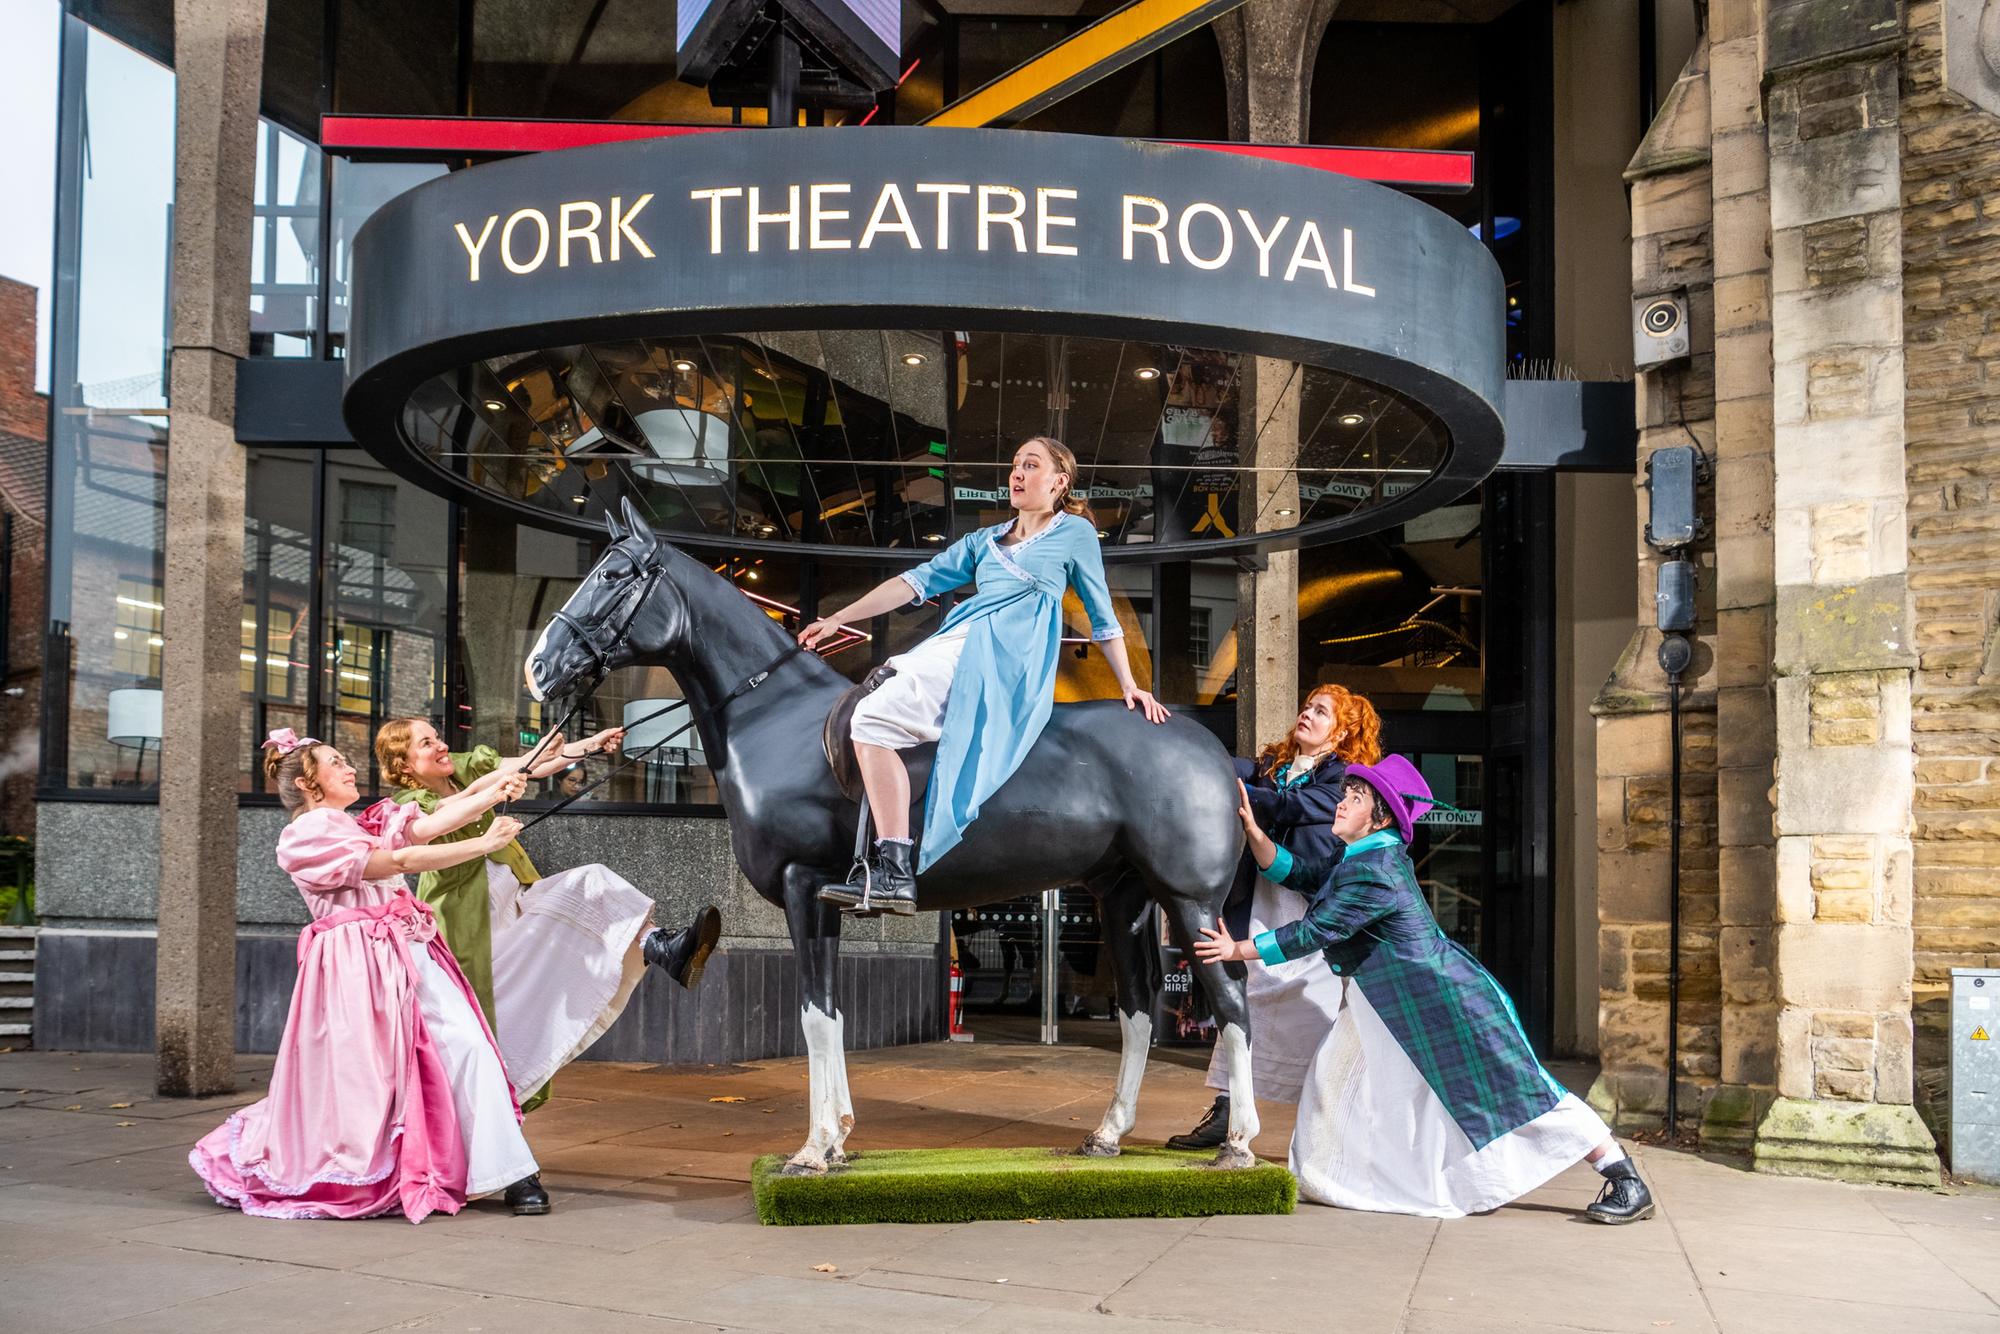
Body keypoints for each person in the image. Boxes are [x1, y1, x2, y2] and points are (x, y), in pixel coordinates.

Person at [1196, 755, 1656, 1224]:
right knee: (1339, 1086)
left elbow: (1314, 931)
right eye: (1346, 795)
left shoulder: (1375, 869)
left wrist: (1237, 950)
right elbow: (1303, 875)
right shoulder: (1358, 856)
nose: (1341, 804)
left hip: (1441, 1001)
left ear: (1381, 818)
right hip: (1384, 1003)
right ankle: (1331, 1180)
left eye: (1355, 799)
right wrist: (1254, 830)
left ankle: (1624, 1176)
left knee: (1520, 1090)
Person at [798, 435, 1170, 914]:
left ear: (1060, 482)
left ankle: (894, 871)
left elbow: (1103, 618)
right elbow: (913, 582)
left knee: (871, 718)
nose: (1017, 473)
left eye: (1031, 465)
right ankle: (892, 866)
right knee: (872, 717)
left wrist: (1129, 684)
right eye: (1015, 465)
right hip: (962, 642)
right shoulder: (983, 541)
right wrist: (838, 617)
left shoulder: (1074, 533)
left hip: (1005, 657)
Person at [189, 730, 539, 1223]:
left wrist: (496, 788)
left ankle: (507, 1172)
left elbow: (431, 824)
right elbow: (397, 861)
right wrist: (484, 841)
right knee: (370, 1079)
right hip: (356, 963)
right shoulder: (307, 835)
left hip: (405, 951)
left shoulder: (356, 824)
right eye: (336, 762)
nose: (350, 767)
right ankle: (473, 1172)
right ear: (311, 783)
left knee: (467, 1045)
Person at [376, 719, 723, 1214]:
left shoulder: (467, 770)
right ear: (403, 764)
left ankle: (661, 946)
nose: (440, 745)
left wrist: (586, 746)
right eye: (426, 743)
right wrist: (498, 788)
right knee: (489, 1042)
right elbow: (458, 810)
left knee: (592, 884)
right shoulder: (412, 808)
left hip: (519, 902)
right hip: (470, 931)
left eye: (437, 736)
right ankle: (514, 1168)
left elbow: (527, 765)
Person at [1167, 684, 1382, 1152]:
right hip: (1258, 900)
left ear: (1342, 729)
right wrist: (1176, 742)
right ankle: (1227, 1109)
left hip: (1308, 907)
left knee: (1320, 1015)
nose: (1306, 714)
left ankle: (1341, 1119)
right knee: (1246, 996)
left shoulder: (1345, 780)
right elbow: (1228, 767)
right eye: (1307, 707)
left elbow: (1293, 808)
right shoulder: (1271, 765)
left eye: (1320, 712)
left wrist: (1246, 800)